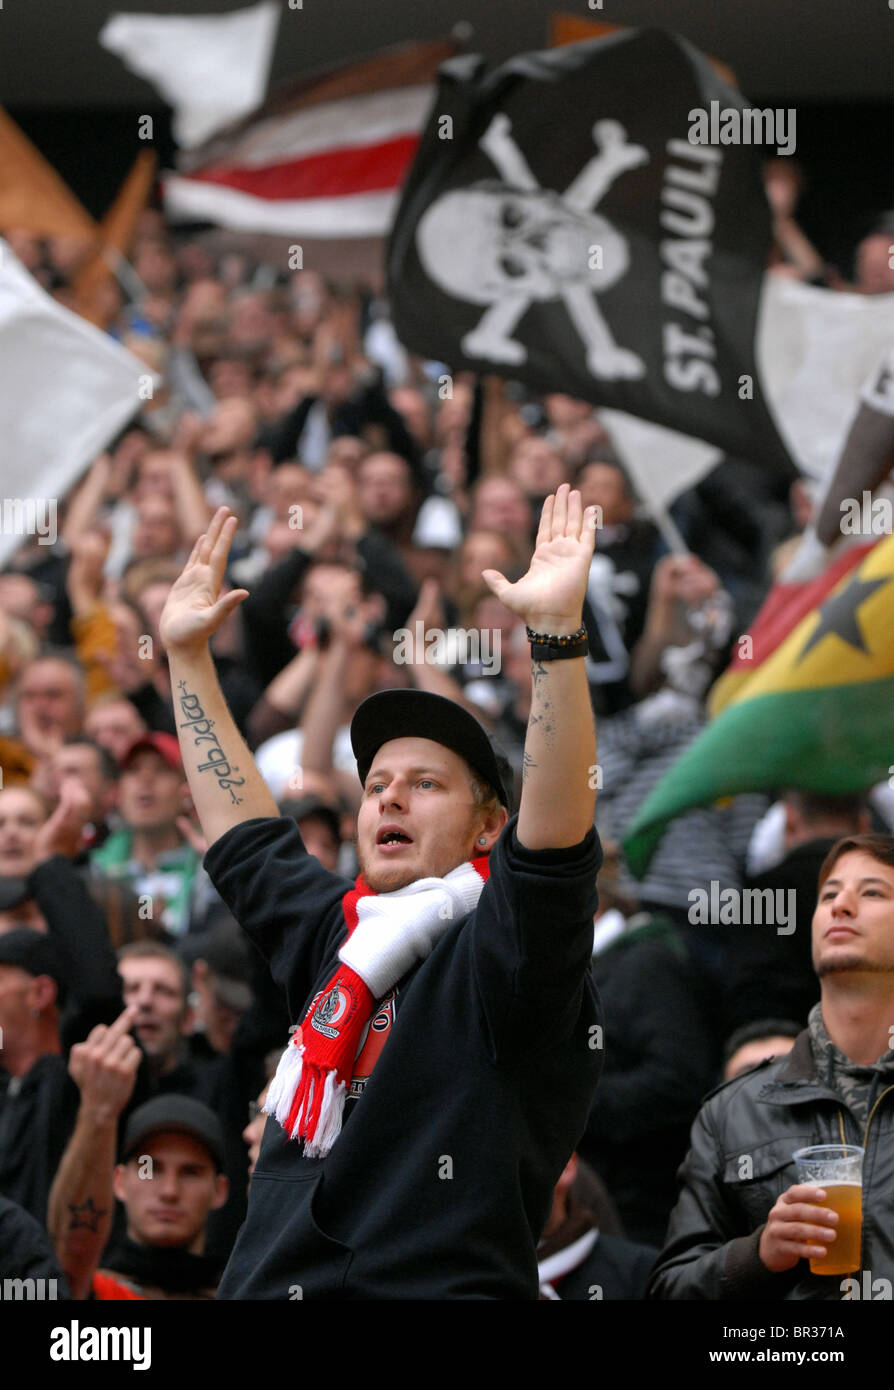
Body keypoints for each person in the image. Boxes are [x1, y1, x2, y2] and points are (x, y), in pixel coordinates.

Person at [159, 492, 603, 1299]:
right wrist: (187, 659)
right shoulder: (338, 933)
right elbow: (245, 837)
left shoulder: (509, 947)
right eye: (376, 786)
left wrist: (557, 642)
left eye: (425, 784)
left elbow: (556, 843)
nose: (389, 799)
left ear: (487, 827)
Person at [649, 833, 894, 1299]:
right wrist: (758, 1255)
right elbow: (669, 1290)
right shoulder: (732, 1112)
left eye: (872, 892)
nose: (841, 905)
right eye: (829, 895)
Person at [48, 1010, 229, 1302]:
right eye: (150, 1168)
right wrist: (99, 1110)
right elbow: (71, 1257)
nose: (169, 1192)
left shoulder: (245, 1289)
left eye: (191, 1172)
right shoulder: (93, 1289)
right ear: (118, 1182)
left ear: (219, 1190)